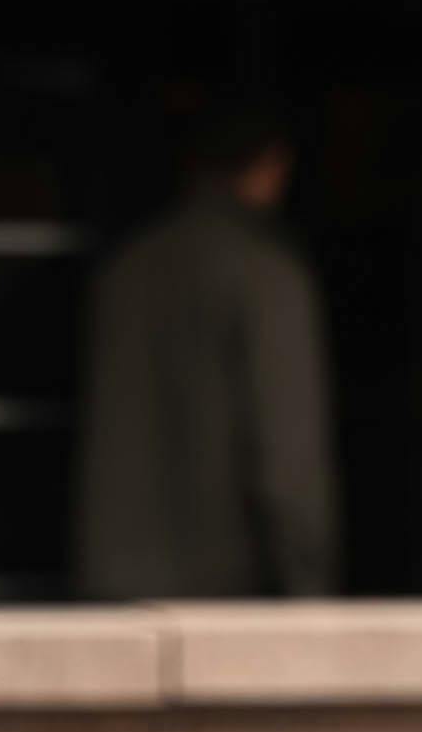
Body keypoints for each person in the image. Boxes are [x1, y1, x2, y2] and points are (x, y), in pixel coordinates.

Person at [72, 95, 340, 600]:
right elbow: (289, 451)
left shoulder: (126, 268)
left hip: (113, 590)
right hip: (225, 597)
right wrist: (310, 585)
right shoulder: (265, 273)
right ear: (271, 165)